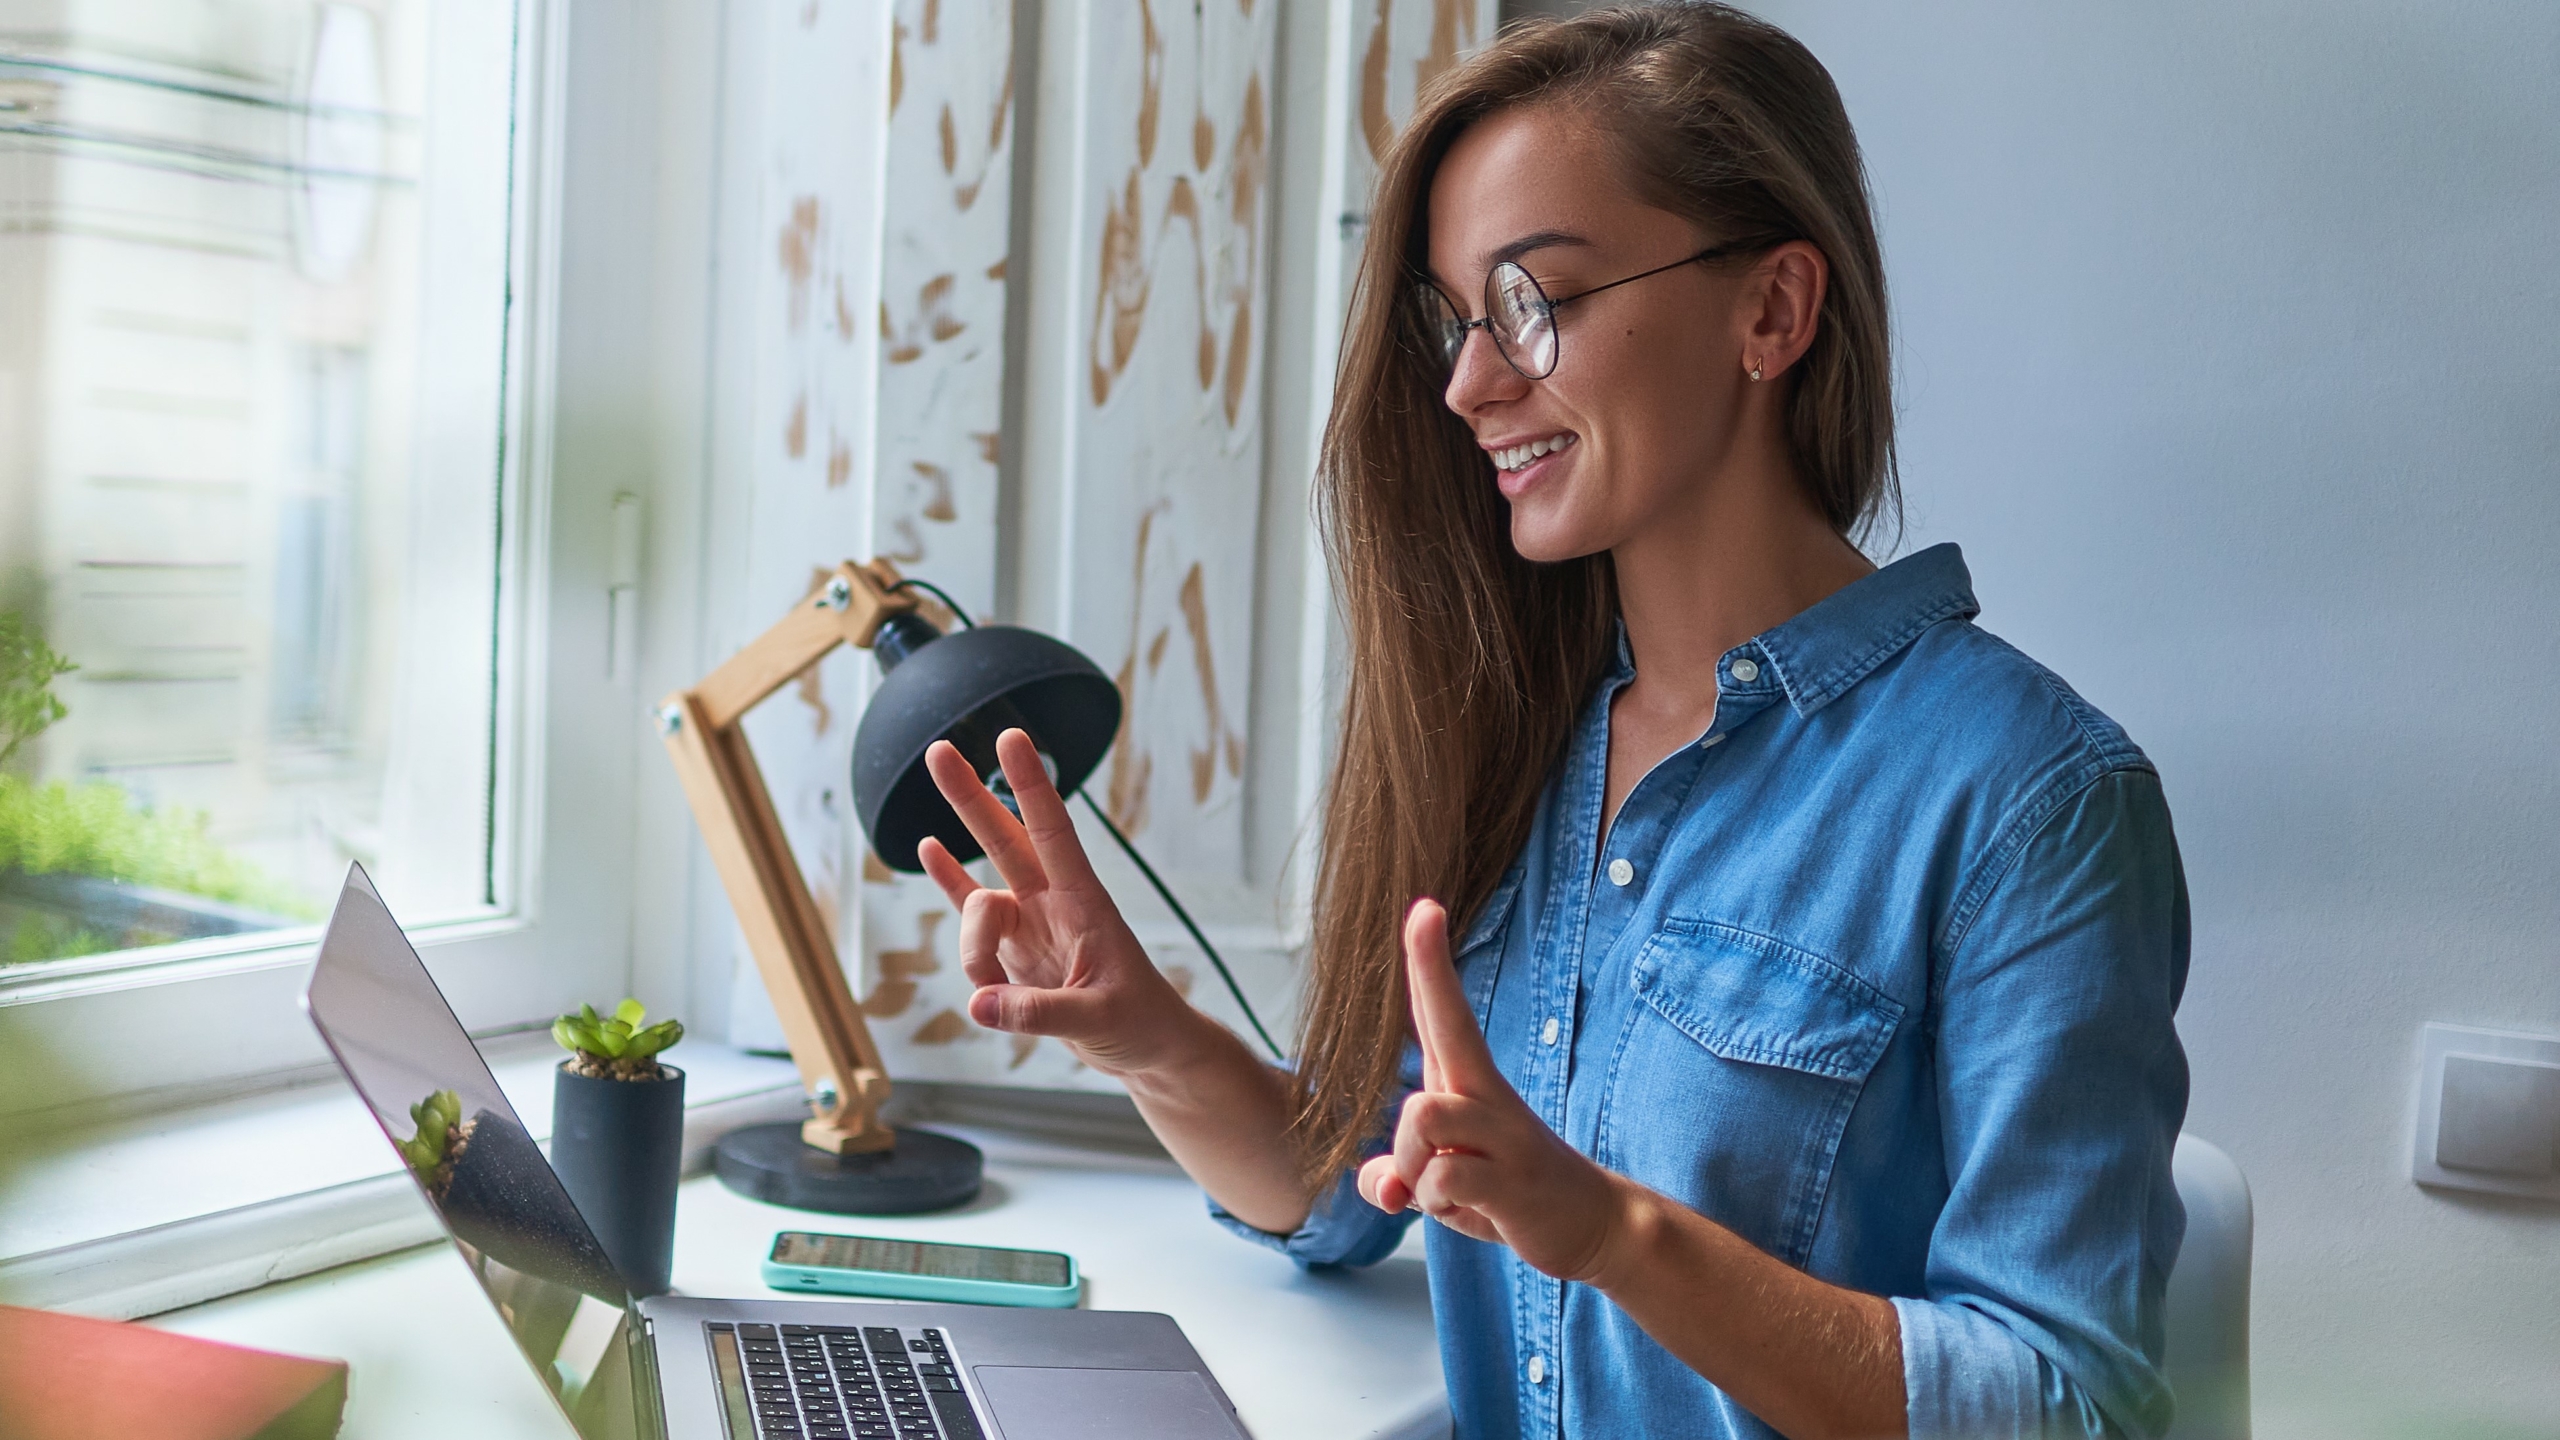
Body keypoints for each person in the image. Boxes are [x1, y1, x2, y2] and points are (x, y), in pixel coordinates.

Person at [914, 6, 2190, 1438]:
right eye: (1456, 321)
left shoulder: (2030, 800)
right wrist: (1137, 1028)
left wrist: (1611, 1235)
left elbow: (2070, 1402)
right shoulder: (1525, 748)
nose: (1469, 383)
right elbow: (1349, 1188)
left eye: (1533, 301)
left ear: (1771, 311)